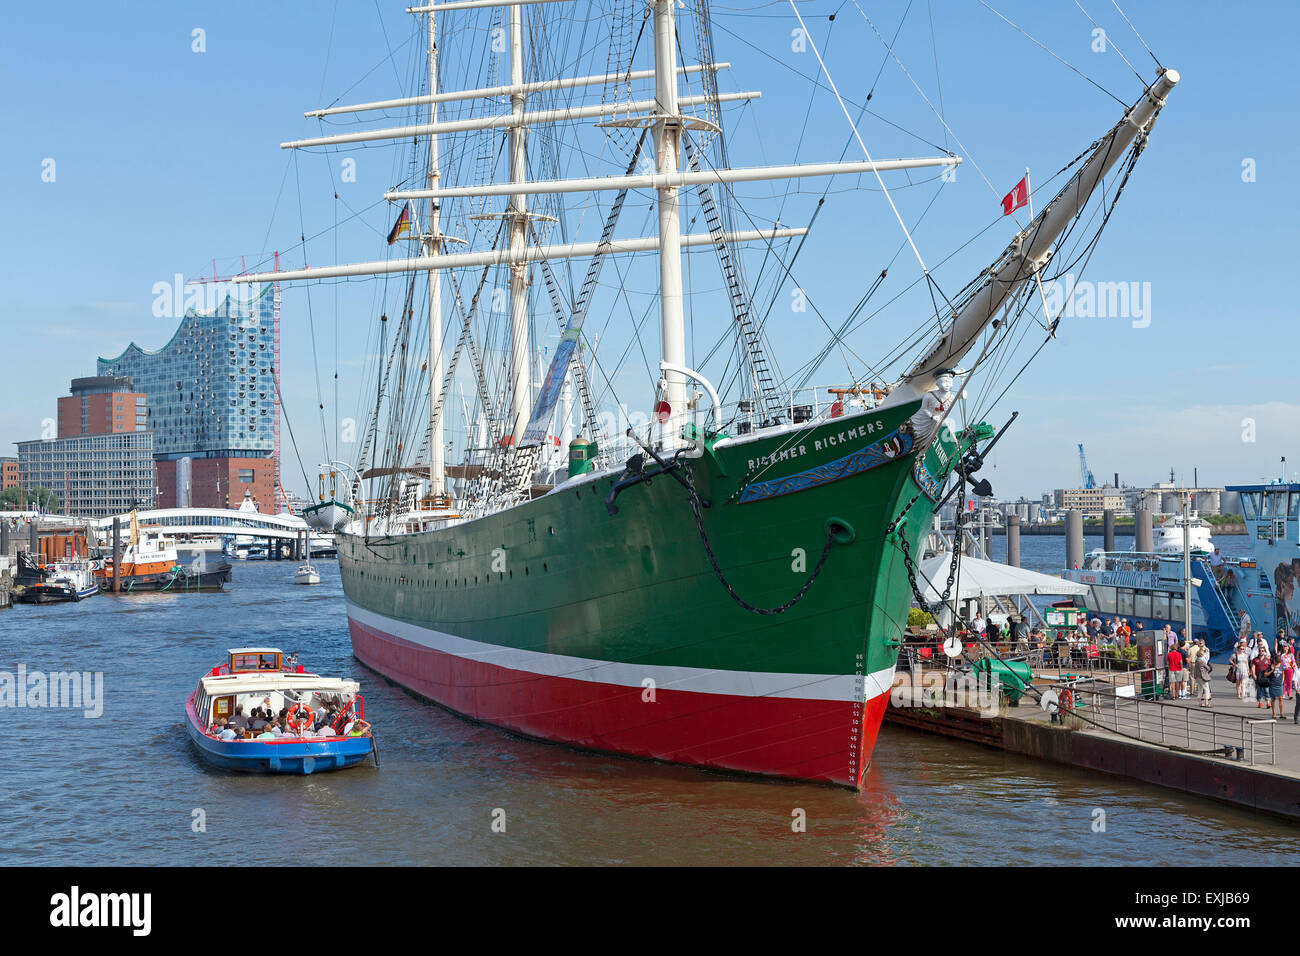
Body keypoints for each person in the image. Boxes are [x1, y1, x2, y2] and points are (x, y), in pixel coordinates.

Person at [1268, 655, 1285, 719]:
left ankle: (1281, 714)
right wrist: (1272, 670)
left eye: (1279, 662)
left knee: (1280, 699)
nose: (1278, 663)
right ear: (1274, 660)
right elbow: (1266, 674)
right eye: (1277, 661)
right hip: (1272, 684)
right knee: (1273, 699)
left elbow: (1283, 673)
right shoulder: (1271, 666)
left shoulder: (1281, 666)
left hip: (1279, 684)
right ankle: (1274, 713)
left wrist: (1282, 680)